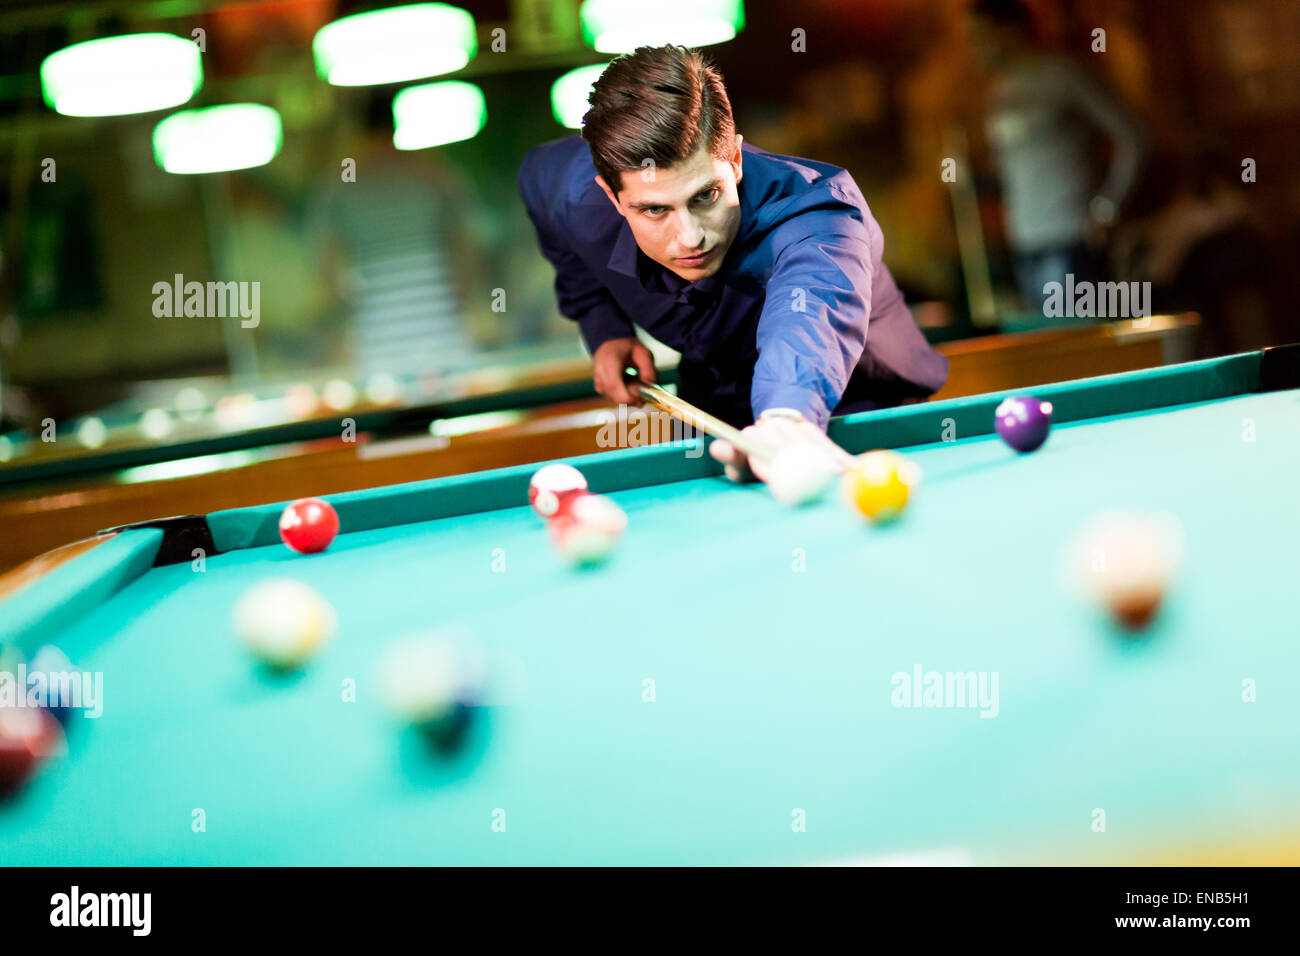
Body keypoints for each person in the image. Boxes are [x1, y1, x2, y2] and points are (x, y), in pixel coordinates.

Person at [517, 44, 947, 484]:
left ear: (735, 161)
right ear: (612, 198)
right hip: (716, 415)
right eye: (654, 210)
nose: (690, 237)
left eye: (706, 196)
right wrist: (604, 328)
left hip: (858, 410)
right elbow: (534, 181)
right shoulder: (575, 199)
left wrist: (786, 416)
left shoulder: (818, 216)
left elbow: (810, 316)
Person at [969, 0, 1146, 314]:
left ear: (1011, 31)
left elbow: (1134, 136)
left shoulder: (1064, 75)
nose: (977, 47)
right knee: (1052, 352)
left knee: (1081, 349)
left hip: (1071, 238)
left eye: (983, 36)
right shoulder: (999, 92)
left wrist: (1109, 206)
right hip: (1024, 245)